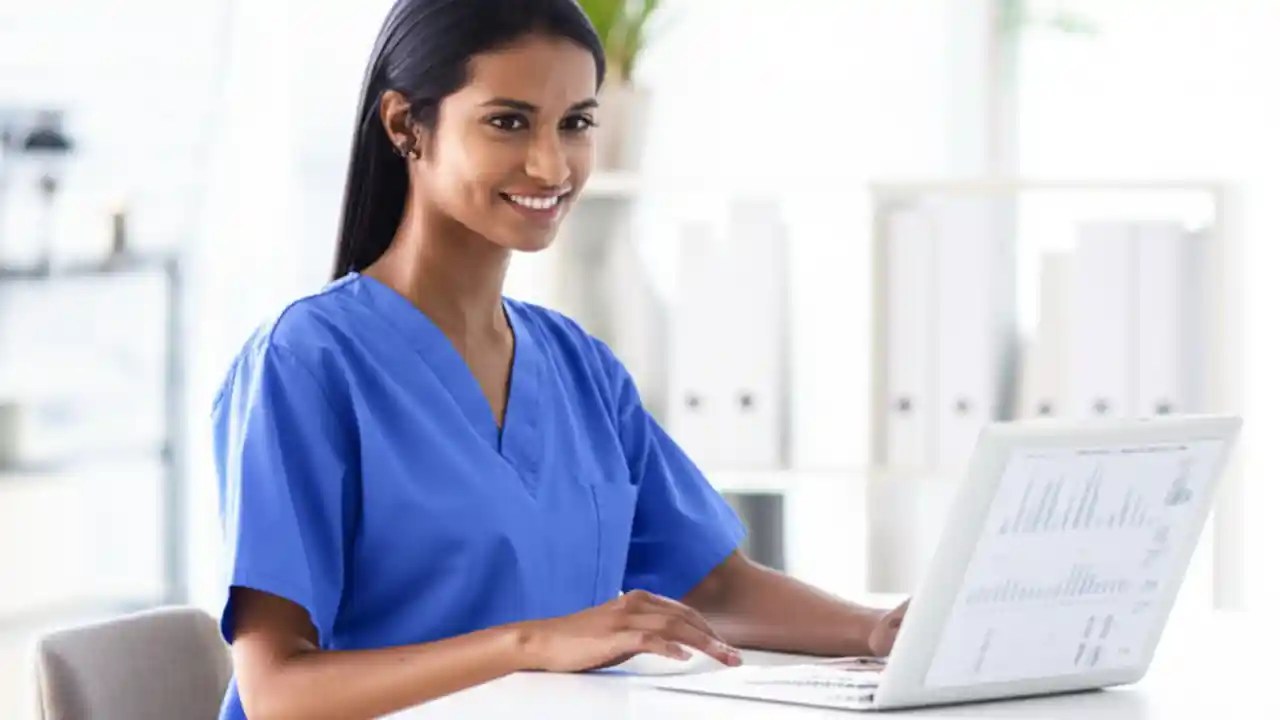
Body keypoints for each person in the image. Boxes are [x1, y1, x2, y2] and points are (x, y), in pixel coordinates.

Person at [211, 1, 908, 717]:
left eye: (575, 123)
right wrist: (530, 644)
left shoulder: (579, 367)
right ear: (404, 126)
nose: (551, 163)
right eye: (508, 121)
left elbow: (715, 587)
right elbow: (277, 692)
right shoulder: (306, 363)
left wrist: (882, 631)